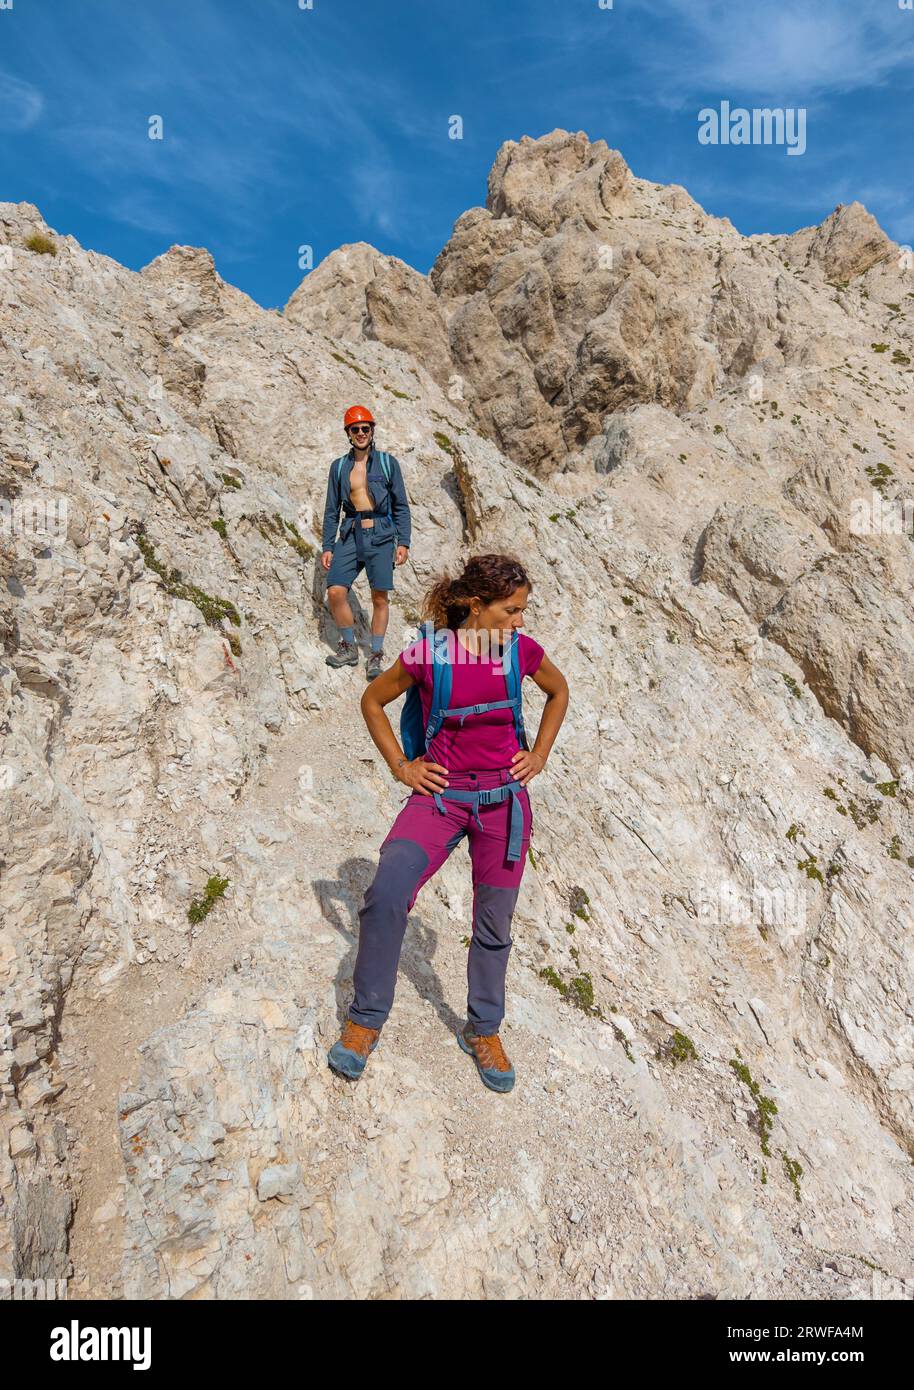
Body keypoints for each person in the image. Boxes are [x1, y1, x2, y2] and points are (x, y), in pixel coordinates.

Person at [327, 553, 569, 1093]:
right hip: (440, 798)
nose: (520, 622)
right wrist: (401, 766)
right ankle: (365, 1021)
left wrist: (541, 755)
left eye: (523, 610)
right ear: (476, 607)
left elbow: (559, 692)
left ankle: (482, 1030)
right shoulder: (428, 655)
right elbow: (373, 700)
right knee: (387, 890)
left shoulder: (521, 653)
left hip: (504, 804)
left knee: (494, 923)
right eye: (511, 611)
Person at [320, 405, 411, 680]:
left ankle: (375, 654)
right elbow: (331, 509)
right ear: (348, 433)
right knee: (335, 590)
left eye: (365, 428)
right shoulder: (339, 467)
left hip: (382, 535)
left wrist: (403, 541)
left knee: (379, 597)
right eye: (355, 429)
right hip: (350, 533)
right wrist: (328, 545)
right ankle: (348, 647)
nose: (361, 433)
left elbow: (401, 505)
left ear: (372, 431)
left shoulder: (387, 463)